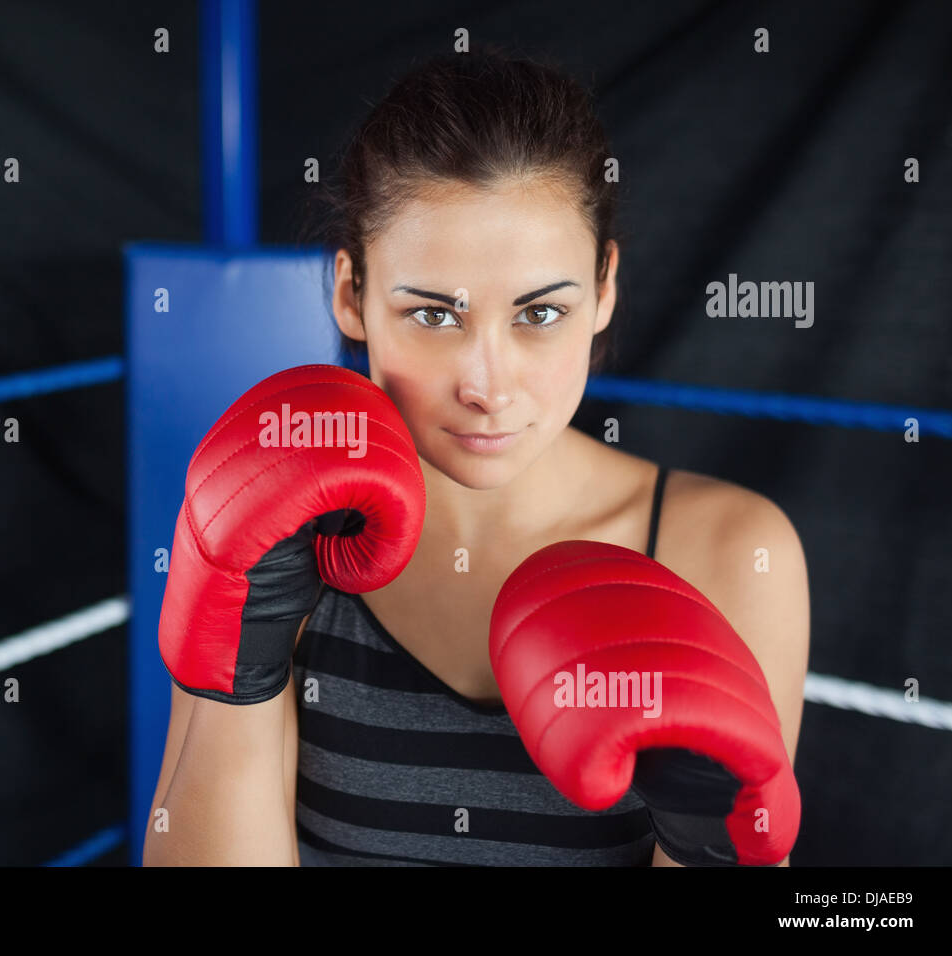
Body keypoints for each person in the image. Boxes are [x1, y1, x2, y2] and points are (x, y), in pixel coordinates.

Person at [143, 47, 809, 867]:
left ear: (603, 288)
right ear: (350, 293)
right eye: (433, 316)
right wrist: (234, 671)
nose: (487, 386)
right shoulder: (289, 524)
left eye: (538, 314)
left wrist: (712, 845)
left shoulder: (730, 553)